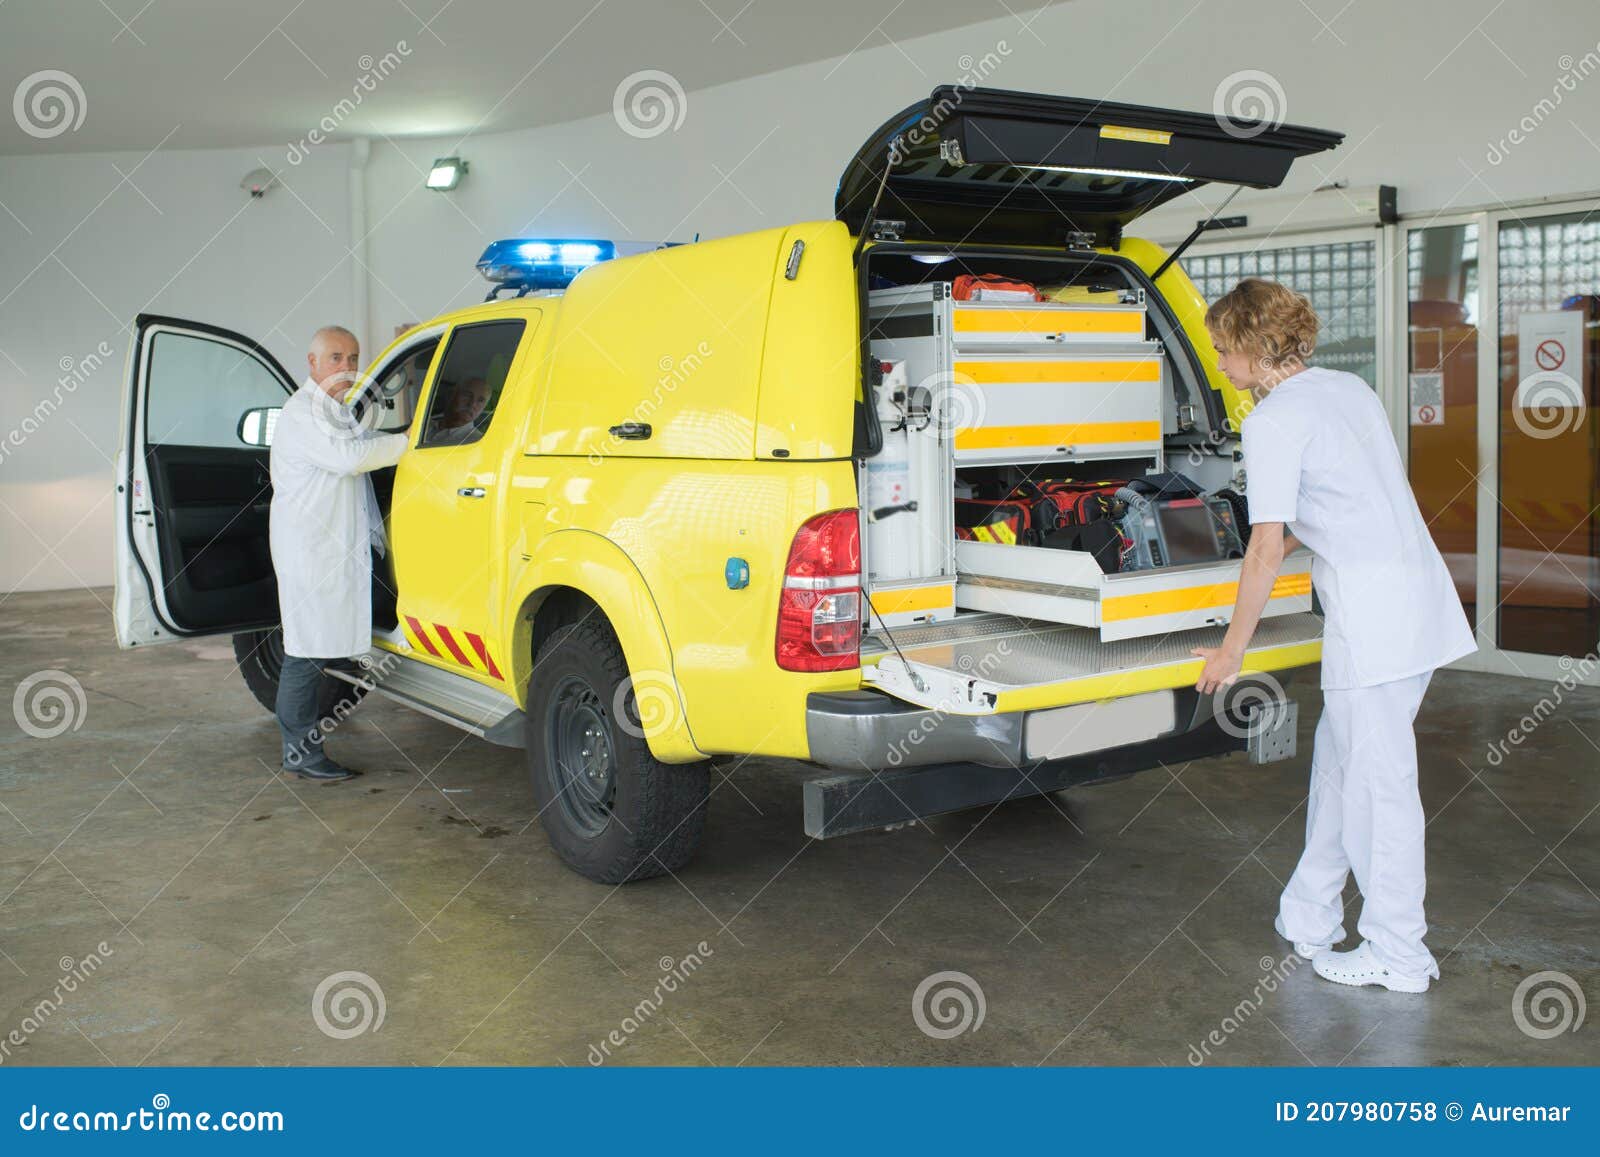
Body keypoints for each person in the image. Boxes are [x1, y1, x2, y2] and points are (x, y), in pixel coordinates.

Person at [1191, 279, 1476, 994]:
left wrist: (1232, 650)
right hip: (1417, 596)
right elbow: (1349, 495)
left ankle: (1398, 951)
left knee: (1380, 787)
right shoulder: (1348, 389)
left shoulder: (1274, 419)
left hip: (1375, 618)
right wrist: (1292, 542)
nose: (1221, 365)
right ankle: (1309, 913)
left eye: (1225, 351)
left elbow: (1262, 545)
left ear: (1256, 348)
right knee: (1343, 768)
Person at [269, 325, 410, 782]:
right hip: (312, 552)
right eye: (335, 358)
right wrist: (414, 441)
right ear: (312, 363)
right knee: (305, 653)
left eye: (352, 358)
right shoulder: (303, 412)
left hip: (334, 549)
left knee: (320, 647)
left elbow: (359, 449)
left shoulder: (336, 410)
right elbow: (351, 460)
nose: (347, 367)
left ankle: (305, 747)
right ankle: (301, 755)